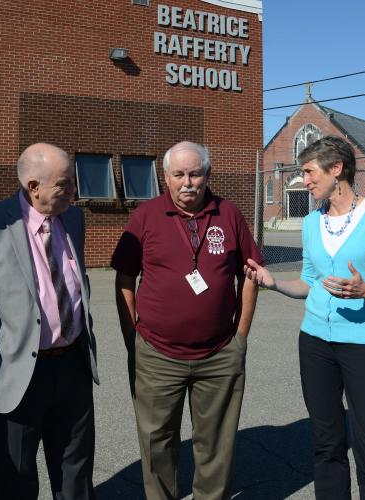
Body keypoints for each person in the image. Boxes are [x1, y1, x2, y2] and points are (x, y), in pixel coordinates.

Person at [244, 135, 365, 499]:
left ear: (336, 169)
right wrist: (273, 283)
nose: (304, 180)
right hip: (315, 346)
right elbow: (310, 283)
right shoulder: (311, 223)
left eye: (308, 172)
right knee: (327, 445)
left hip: (364, 347)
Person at [112, 141, 262, 499]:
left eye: (195, 173)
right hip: (157, 354)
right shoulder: (145, 217)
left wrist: (240, 336)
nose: (187, 182)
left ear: (207, 174)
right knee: (156, 443)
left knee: (216, 445)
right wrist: (132, 337)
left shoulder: (228, 215)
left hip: (219, 352)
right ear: (166, 178)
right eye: (178, 174)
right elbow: (124, 279)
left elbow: (251, 274)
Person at [0, 143, 99, 500]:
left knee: (76, 475)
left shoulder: (73, 219)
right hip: (14, 374)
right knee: (15, 477)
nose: (73, 192)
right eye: (64, 185)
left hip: (72, 367)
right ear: (33, 187)